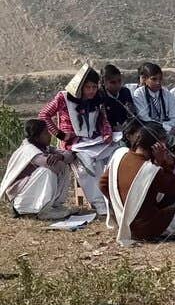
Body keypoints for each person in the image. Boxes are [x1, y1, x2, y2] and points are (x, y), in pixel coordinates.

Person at [100, 119, 175, 246]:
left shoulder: (121, 155)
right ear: (156, 147)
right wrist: (164, 163)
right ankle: (163, 234)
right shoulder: (151, 170)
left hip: (123, 221)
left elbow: (103, 184)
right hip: (145, 228)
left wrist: (121, 206)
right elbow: (174, 188)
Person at [39, 63, 114, 215]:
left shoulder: (97, 99)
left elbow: (103, 120)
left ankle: (109, 200)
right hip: (72, 144)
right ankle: (99, 204)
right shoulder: (64, 98)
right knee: (85, 166)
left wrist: (107, 133)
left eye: (94, 87)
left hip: (93, 142)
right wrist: (60, 134)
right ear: (80, 87)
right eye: (88, 87)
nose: (91, 91)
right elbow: (43, 115)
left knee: (106, 161)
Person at [0, 119, 73, 219]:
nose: (50, 135)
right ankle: (36, 210)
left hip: (29, 192)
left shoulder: (44, 148)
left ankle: (53, 205)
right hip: (20, 198)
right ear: (36, 137)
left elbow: (70, 155)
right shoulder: (29, 150)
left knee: (64, 166)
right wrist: (59, 158)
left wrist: (60, 156)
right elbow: (55, 166)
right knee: (46, 171)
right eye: (46, 133)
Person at [133, 63, 175, 138]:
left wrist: (167, 128)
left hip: (168, 132)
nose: (158, 82)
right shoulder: (139, 94)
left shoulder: (167, 94)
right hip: (149, 132)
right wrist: (167, 127)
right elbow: (145, 119)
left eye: (160, 79)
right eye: (154, 79)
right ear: (145, 79)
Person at [100, 64, 135, 134]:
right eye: (113, 82)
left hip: (127, 130)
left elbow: (132, 116)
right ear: (103, 82)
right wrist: (113, 127)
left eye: (119, 81)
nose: (117, 85)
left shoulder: (125, 92)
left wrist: (130, 112)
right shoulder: (100, 96)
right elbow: (101, 121)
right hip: (109, 133)